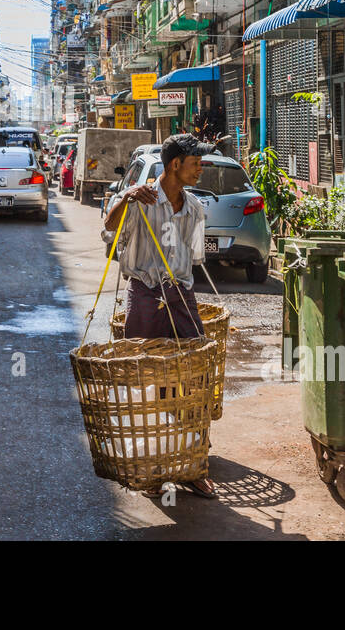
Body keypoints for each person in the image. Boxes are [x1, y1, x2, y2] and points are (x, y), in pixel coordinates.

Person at [101, 132, 218, 499]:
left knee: (192, 380)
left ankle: (193, 465)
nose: (200, 168)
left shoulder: (195, 208)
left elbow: (193, 257)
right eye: (195, 162)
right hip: (145, 292)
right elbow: (108, 226)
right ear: (174, 165)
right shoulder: (141, 200)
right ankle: (148, 465)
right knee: (143, 377)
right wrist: (127, 196)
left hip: (180, 295)